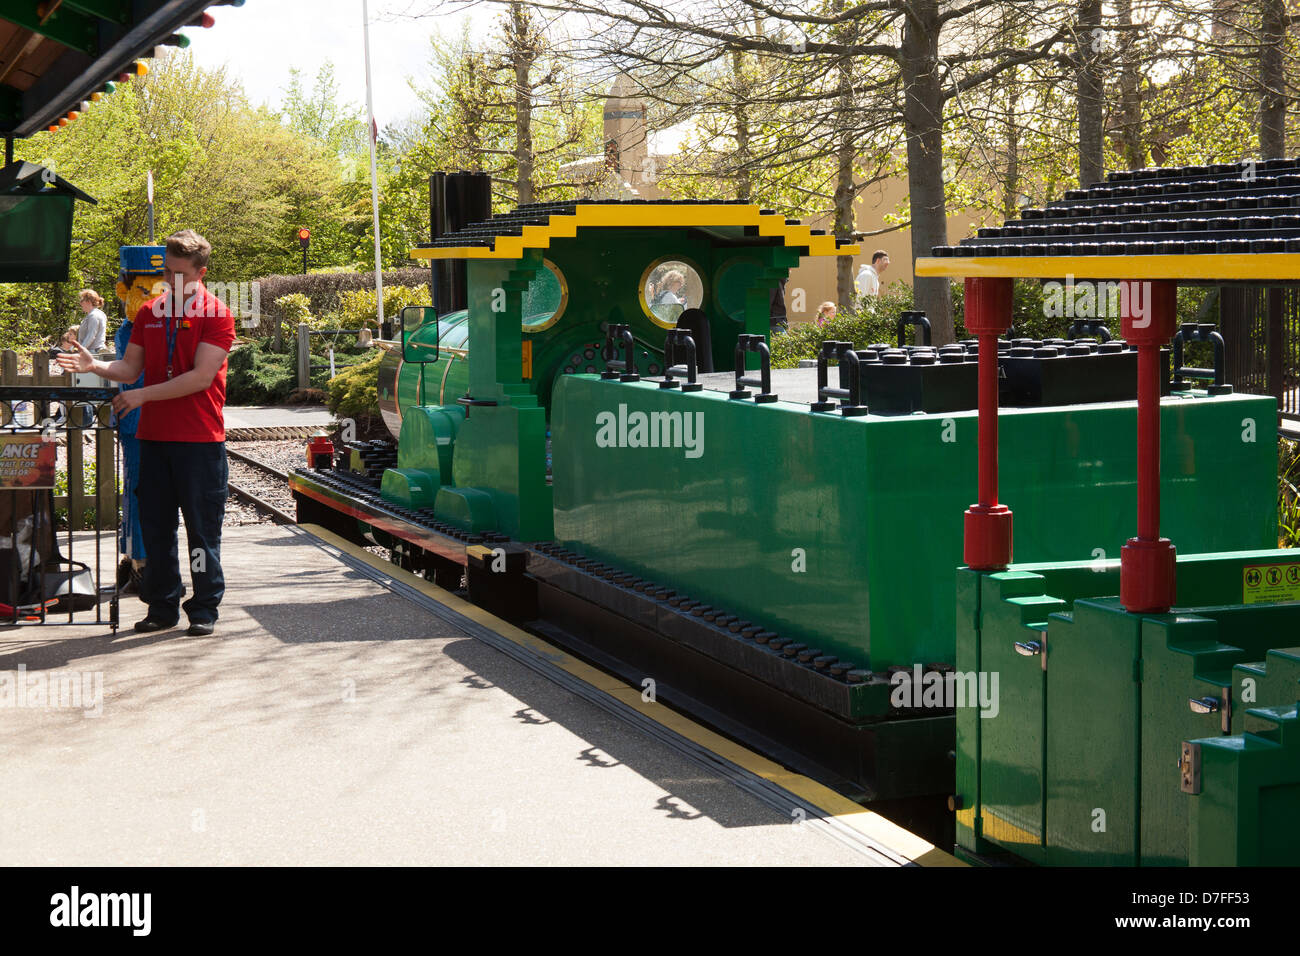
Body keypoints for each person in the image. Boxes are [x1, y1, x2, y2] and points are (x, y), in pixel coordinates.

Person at [56, 230, 235, 637]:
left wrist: (141, 395)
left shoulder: (217, 313)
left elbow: (201, 378)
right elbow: (129, 369)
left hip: (199, 442)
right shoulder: (150, 313)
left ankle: (204, 607)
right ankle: (163, 605)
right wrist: (95, 366)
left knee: (202, 534)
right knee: (156, 530)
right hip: (154, 439)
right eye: (165, 272)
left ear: (201, 273)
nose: (168, 281)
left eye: (178, 274)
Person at [112, 309, 147, 594]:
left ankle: (138, 558)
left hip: (137, 418)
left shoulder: (132, 327)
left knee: (137, 490)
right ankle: (138, 559)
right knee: (138, 490)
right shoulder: (135, 326)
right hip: (137, 419)